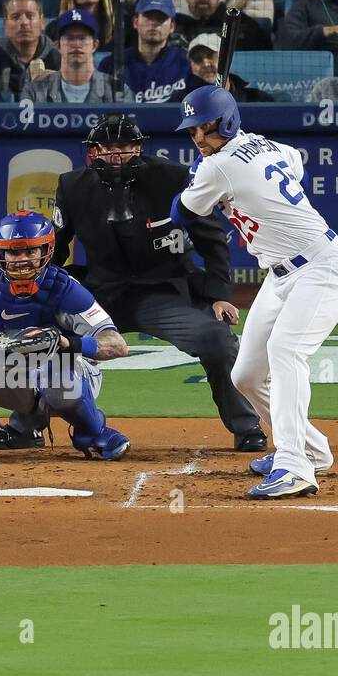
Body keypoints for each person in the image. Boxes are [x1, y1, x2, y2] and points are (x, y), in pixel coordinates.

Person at [173, 86, 338, 498]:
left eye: (204, 129)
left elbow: (182, 214)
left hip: (324, 266)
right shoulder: (261, 143)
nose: (198, 138)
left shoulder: (215, 167)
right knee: (246, 374)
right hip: (282, 276)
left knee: (286, 352)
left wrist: (205, 177)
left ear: (225, 122)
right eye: (192, 132)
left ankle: (294, 466)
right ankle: (312, 450)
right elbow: (298, 169)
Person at [49, 114, 269, 454]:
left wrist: (218, 296)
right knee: (38, 334)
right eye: (106, 148)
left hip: (163, 291)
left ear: (138, 147)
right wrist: (43, 299)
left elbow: (211, 240)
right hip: (100, 296)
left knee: (216, 341)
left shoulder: (173, 177)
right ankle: (26, 426)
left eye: (124, 147)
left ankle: (247, 427)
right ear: (94, 152)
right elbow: (56, 248)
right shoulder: (72, 185)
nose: (115, 155)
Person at [0, 211, 132, 459]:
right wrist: (0, 343)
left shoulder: (65, 290)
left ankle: (95, 433)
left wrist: (67, 344)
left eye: (30, 251)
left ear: (46, 250)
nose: (21, 260)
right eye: (14, 252)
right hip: (15, 374)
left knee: (55, 369)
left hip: (71, 377)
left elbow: (117, 345)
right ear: (0, 253)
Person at [22, 8, 134, 102]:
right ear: (58, 45)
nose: (76, 44)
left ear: (95, 45)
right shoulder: (35, 92)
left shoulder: (118, 92)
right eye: (69, 38)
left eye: (82, 38)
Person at [98, 0, 190, 103]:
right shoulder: (111, 64)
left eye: (160, 18)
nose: (153, 24)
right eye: (148, 17)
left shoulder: (186, 63)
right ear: (135, 22)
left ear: (172, 26)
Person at [0, 0, 60, 100]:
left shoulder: (60, 58)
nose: (24, 22)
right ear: (5, 24)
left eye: (30, 16)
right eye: (15, 17)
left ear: (42, 22)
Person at [171, 32, 276, 103]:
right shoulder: (179, 101)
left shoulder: (254, 98)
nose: (206, 64)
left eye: (210, 55)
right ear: (191, 65)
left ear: (226, 58)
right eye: (197, 59)